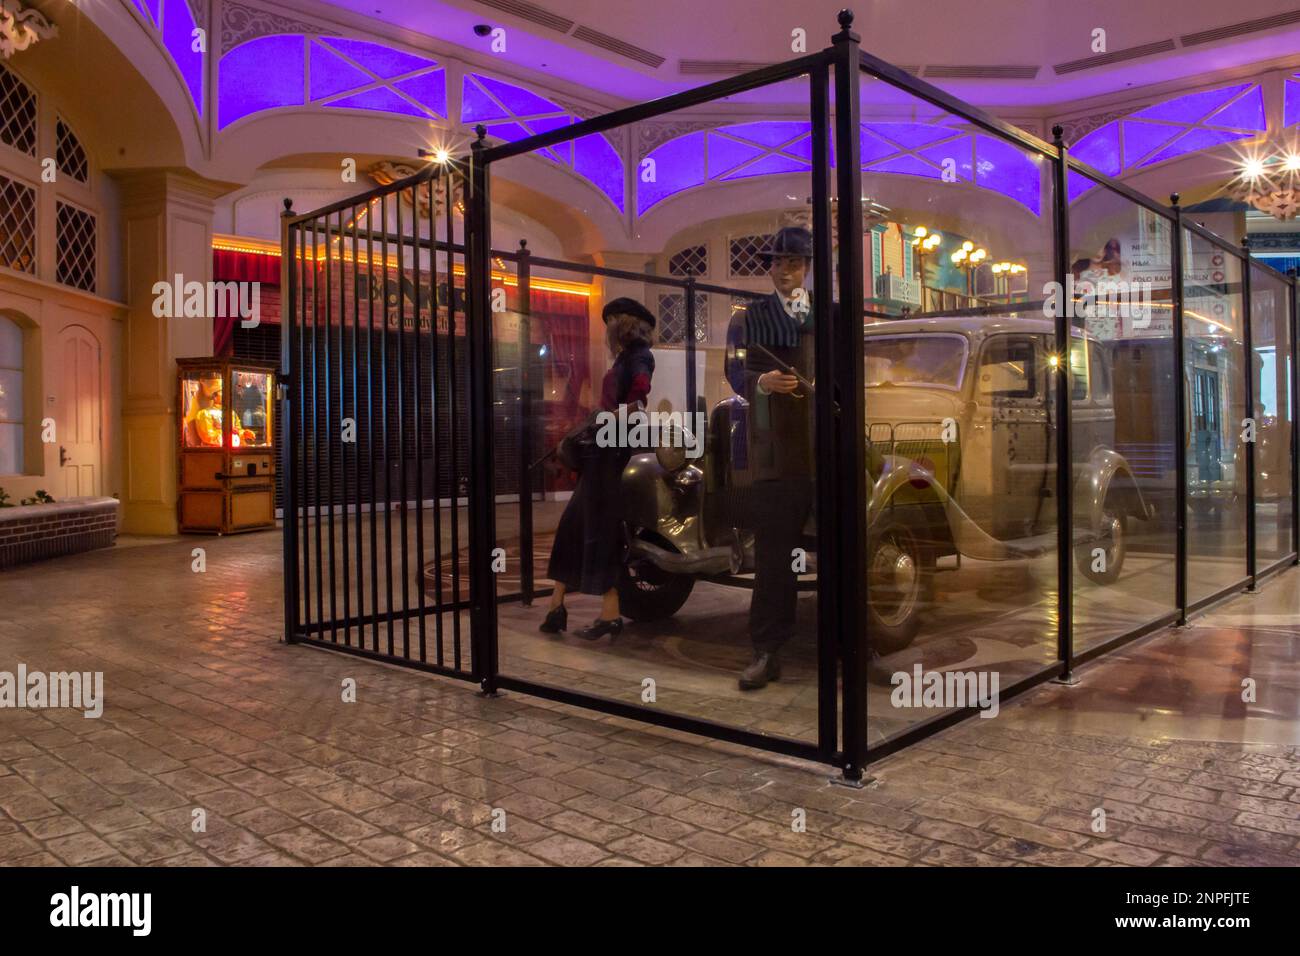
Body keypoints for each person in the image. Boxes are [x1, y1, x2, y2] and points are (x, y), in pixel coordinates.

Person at [724, 226, 818, 690]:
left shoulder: (827, 316)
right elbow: (734, 367)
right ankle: (767, 649)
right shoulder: (749, 317)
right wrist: (760, 385)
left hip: (821, 446)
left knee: (843, 551)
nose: (785, 270)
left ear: (807, 268)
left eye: (794, 262)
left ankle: (851, 644)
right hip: (773, 449)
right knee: (774, 556)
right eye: (778, 262)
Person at [540, 297, 656, 640]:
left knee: (597, 529)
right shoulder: (624, 357)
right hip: (601, 450)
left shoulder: (639, 355)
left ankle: (609, 613)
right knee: (574, 524)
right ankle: (556, 605)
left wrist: (607, 417)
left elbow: (639, 397)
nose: (607, 328)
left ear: (624, 323)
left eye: (612, 320)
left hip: (611, 452)